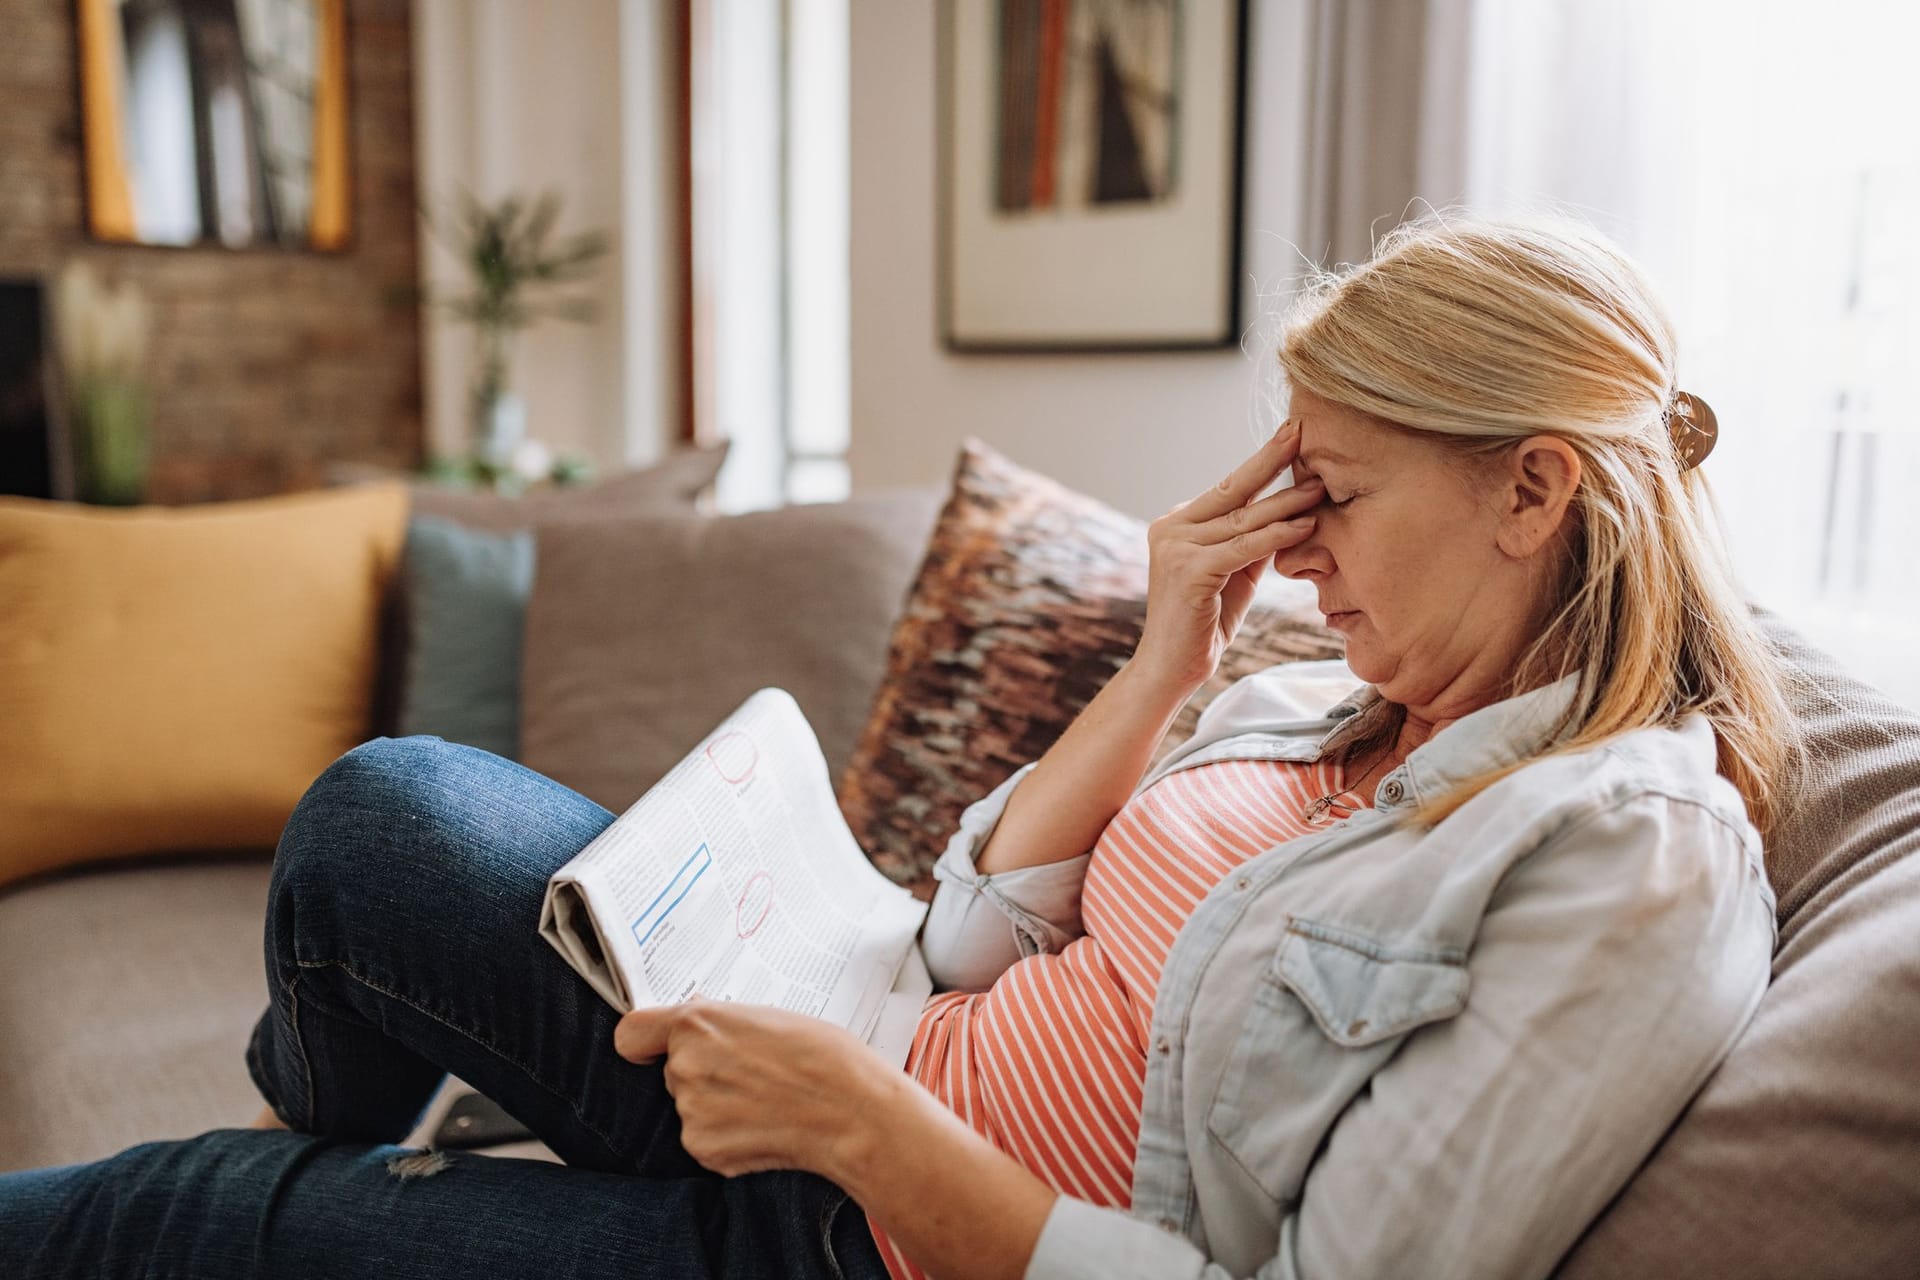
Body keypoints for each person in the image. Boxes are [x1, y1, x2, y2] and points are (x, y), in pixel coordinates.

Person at [0, 214, 1797, 1280]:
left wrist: (873, 1140)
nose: (1293, 541)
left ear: (1534, 490)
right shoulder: (1349, 698)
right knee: (377, 817)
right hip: (852, 1047)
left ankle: (311, 1183)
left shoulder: (1629, 863)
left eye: (1332, 490)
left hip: (869, 1236)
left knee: (200, 1208)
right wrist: (1165, 662)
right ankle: (350, 1141)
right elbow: (961, 946)